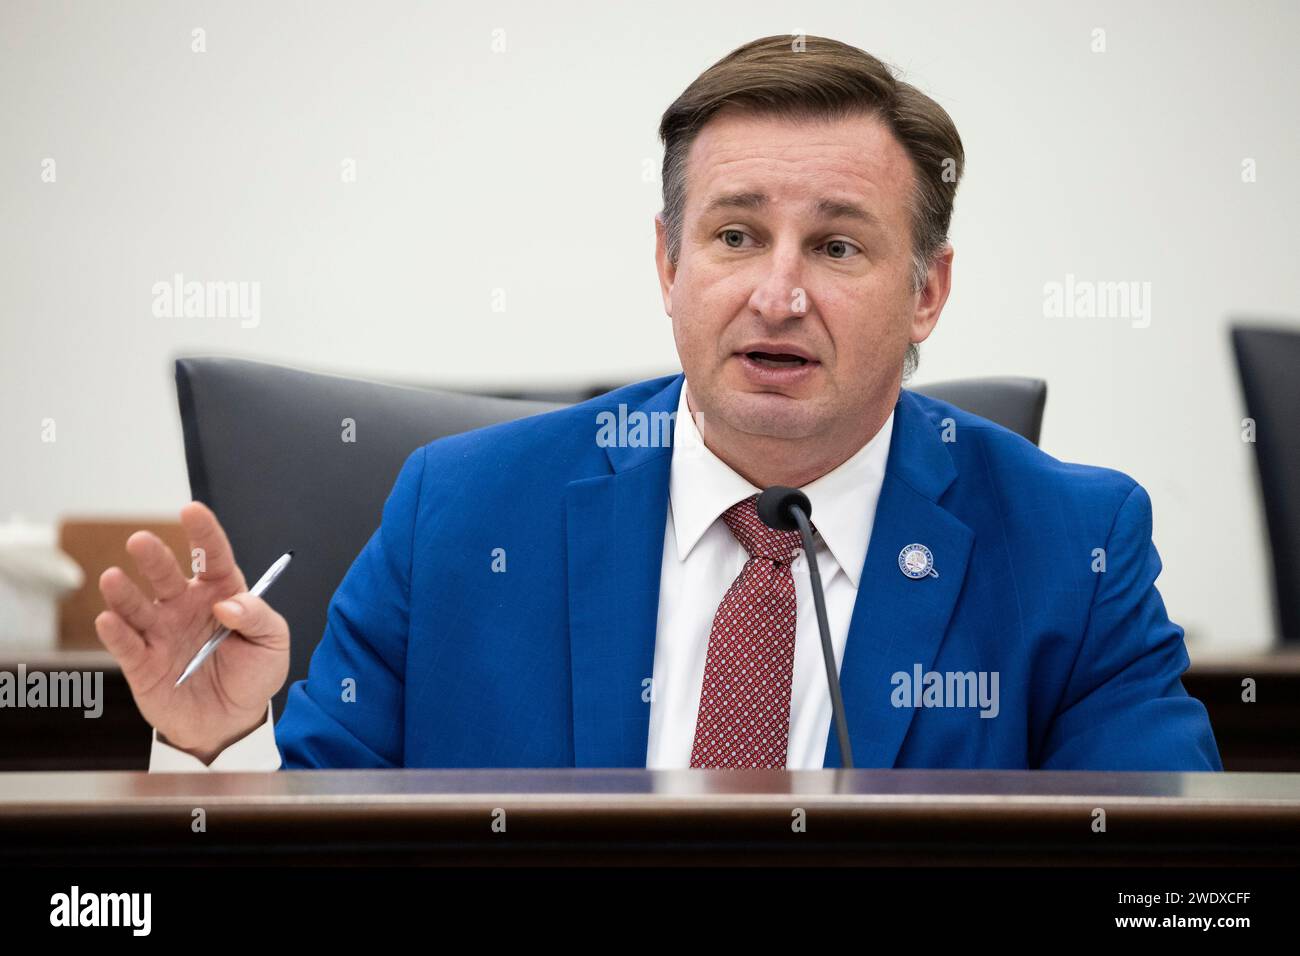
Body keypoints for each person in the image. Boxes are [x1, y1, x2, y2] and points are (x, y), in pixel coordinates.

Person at [95, 34, 1222, 772]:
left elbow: (1171, 888)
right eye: (735, 236)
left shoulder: (1075, 545)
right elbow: (299, 868)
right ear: (667, 262)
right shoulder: (459, 514)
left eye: (836, 245)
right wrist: (220, 748)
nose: (776, 295)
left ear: (926, 290)